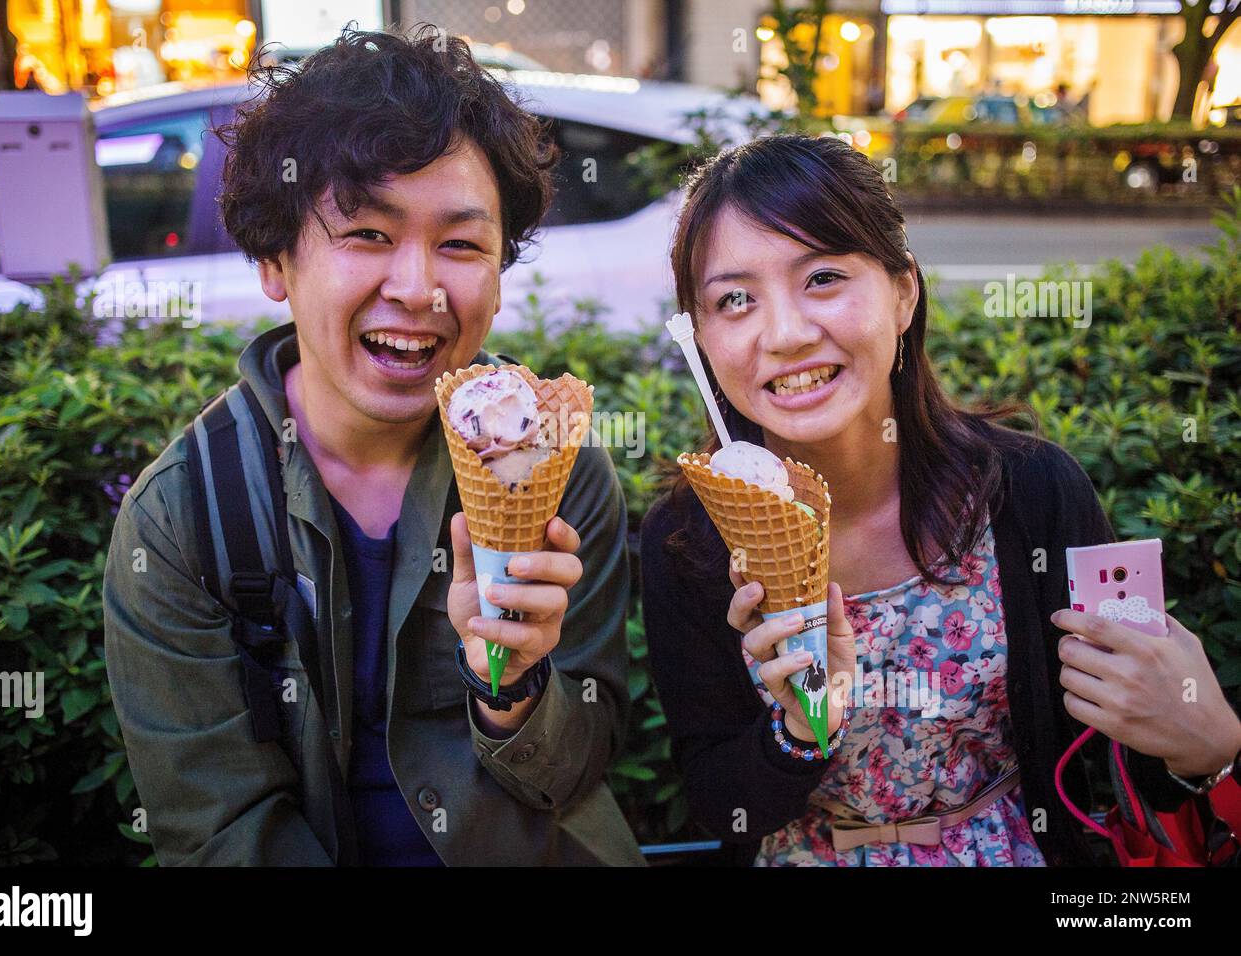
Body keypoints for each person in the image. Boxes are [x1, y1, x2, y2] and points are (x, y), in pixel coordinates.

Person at [103, 26, 642, 867]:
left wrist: (513, 684)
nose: (418, 288)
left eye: (461, 244)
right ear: (276, 260)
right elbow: (221, 832)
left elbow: (584, 764)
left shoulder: (560, 466)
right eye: (367, 234)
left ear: (500, 273)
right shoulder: (183, 517)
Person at [640, 133, 1239, 866]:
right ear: (699, 336)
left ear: (902, 291)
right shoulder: (691, 539)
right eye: (734, 299)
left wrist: (1208, 746)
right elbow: (720, 805)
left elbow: (1134, 758)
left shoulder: (1034, 494)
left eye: (823, 277)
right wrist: (799, 730)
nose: (787, 333)